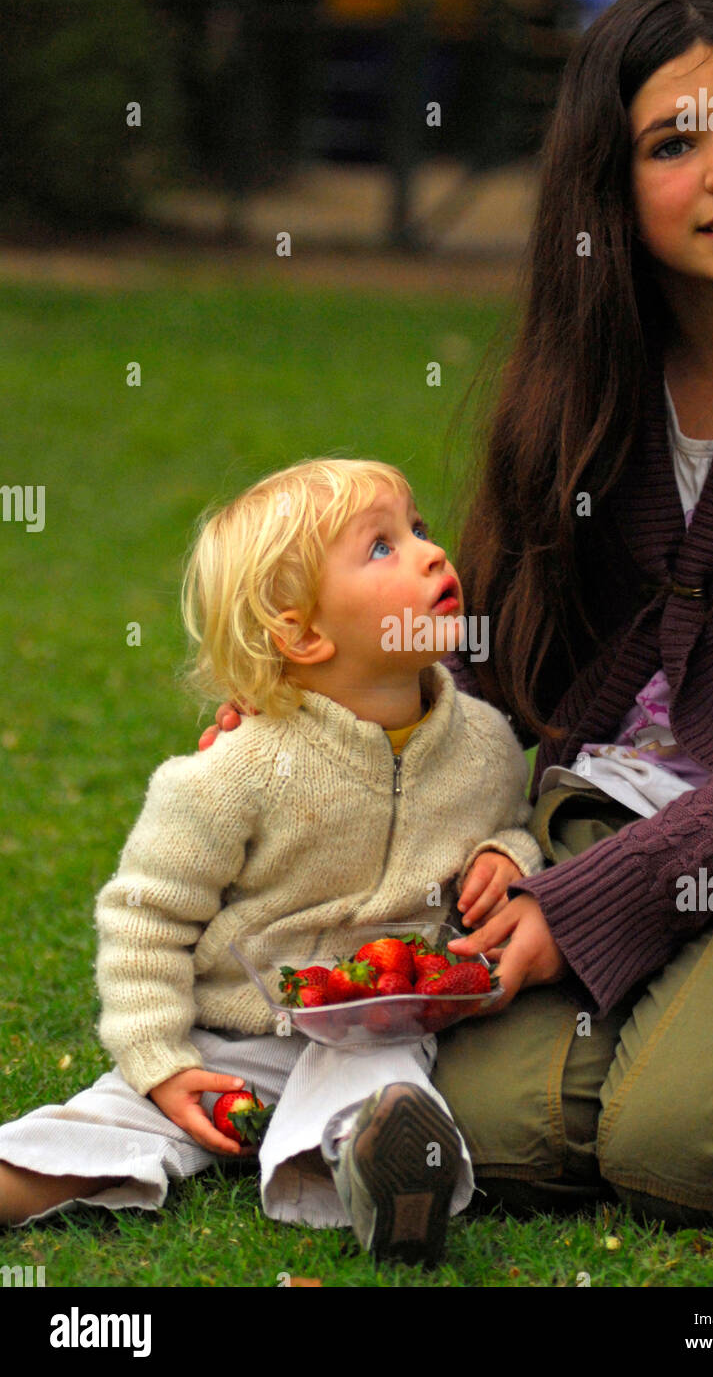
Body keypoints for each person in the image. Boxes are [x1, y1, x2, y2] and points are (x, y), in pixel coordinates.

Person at [208, 0, 713, 1230]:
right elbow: (506, 673)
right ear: (605, 189)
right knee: (497, 1138)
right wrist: (304, 725)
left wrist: (590, 914)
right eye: (674, 144)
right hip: (614, 818)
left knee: (684, 1150)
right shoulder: (583, 389)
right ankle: (704, 1012)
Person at [0, 458, 545, 1267]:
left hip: (379, 1028)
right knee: (99, 1129)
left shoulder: (486, 744)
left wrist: (511, 854)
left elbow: (512, 822)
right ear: (302, 634)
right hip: (230, 1034)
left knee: (386, 1102)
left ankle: (383, 1180)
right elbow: (145, 914)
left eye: (421, 531)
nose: (433, 554)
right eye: (382, 548)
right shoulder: (237, 770)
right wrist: (158, 1061)